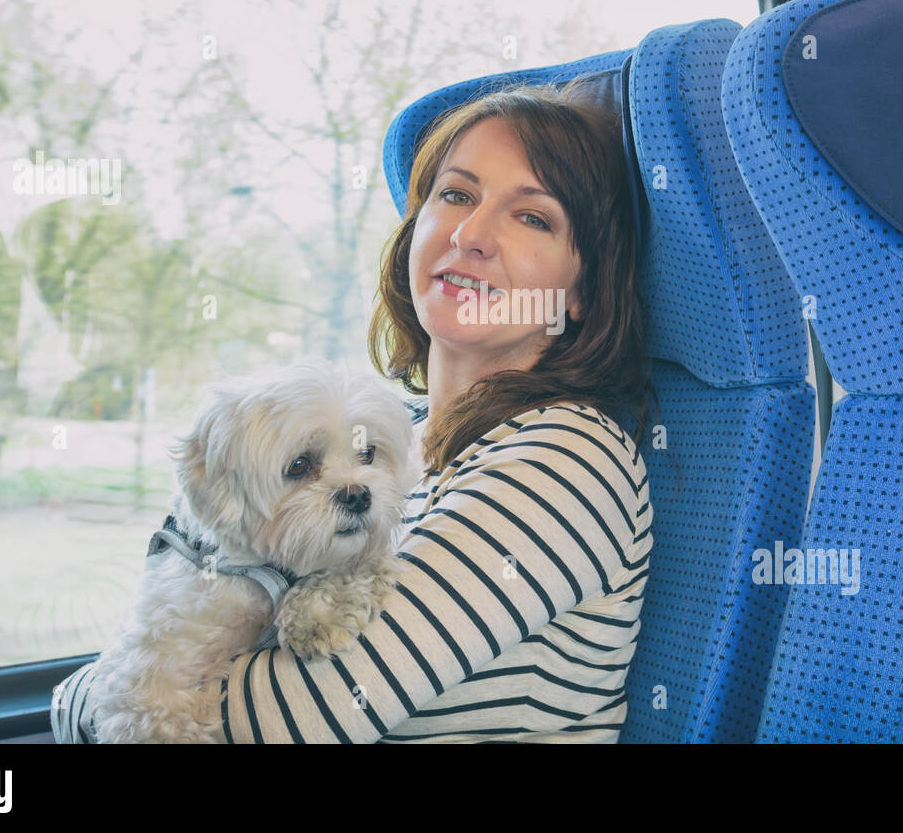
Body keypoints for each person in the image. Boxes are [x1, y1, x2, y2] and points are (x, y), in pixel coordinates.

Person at [51, 76, 655, 742]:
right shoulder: (388, 441)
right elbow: (109, 691)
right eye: (456, 195)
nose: (474, 234)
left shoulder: (565, 459)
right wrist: (115, 690)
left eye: (532, 216)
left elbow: (298, 718)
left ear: (580, 292)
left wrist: (120, 688)